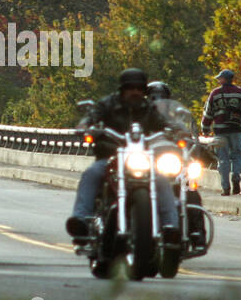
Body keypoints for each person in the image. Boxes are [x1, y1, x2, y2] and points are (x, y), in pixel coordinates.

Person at [66, 68, 180, 243]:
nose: (135, 92)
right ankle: (81, 220)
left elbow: (163, 123)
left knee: (162, 180)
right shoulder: (107, 104)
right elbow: (92, 116)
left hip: (140, 158)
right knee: (92, 173)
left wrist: (178, 131)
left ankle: (170, 228)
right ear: (122, 89)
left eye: (139, 88)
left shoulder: (148, 108)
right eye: (130, 88)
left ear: (143, 91)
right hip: (111, 157)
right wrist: (85, 125)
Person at [201, 68, 241, 195]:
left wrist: (205, 128)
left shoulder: (215, 93)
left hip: (220, 131)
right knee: (237, 155)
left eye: (220, 78)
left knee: (223, 159)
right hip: (236, 129)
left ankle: (225, 187)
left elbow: (208, 112)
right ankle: (236, 176)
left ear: (224, 79)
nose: (218, 80)